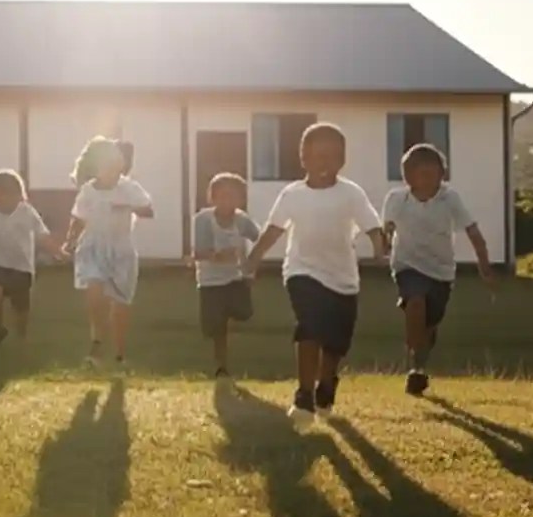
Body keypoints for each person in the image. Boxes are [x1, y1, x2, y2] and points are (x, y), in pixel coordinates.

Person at [245, 123, 386, 428]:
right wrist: (254, 257)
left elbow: (371, 224)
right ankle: (304, 394)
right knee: (309, 326)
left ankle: (326, 382)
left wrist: (378, 245)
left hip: (343, 279)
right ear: (304, 159)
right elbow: (274, 229)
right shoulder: (292, 194)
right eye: (318, 156)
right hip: (302, 271)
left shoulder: (350, 193)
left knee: (335, 343)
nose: (325, 163)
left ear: (342, 161)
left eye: (333, 157)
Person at [381, 144, 495, 396]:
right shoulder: (396, 199)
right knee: (415, 302)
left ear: (441, 174)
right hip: (406, 265)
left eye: (434, 174)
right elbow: (387, 228)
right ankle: (413, 363)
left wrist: (484, 265)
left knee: (428, 326)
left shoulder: (449, 199)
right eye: (422, 174)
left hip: (441, 271)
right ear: (409, 176)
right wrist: (384, 244)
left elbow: (472, 231)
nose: (429, 180)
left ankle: (419, 367)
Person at [62, 137, 154, 368]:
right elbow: (78, 219)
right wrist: (70, 241)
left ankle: (120, 354)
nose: (114, 169)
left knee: (120, 304)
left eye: (117, 164)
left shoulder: (129, 188)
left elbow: (148, 210)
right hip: (93, 247)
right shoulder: (88, 191)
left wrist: (126, 206)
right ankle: (97, 342)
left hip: (121, 251)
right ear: (97, 167)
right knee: (95, 292)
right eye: (108, 165)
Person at [0, 169, 66, 347]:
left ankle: (22, 336)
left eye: (9, 194)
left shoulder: (27, 212)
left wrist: (58, 252)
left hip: (22, 266)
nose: (4, 199)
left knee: (21, 307)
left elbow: (43, 235)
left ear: (19, 195)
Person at [191, 172, 260, 379]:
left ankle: (227, 322)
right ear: (212, 198)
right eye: (222, 196)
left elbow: (259, 237)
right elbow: (199, 253)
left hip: (236, 277)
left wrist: (250, 265)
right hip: (210, 281)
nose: (227, 201)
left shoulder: (242, 220)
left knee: (244, 313)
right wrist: (218, 256)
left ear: (240, 200)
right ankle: (221, 366)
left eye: (233, 196)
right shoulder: (203, 220)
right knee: (216, 329)